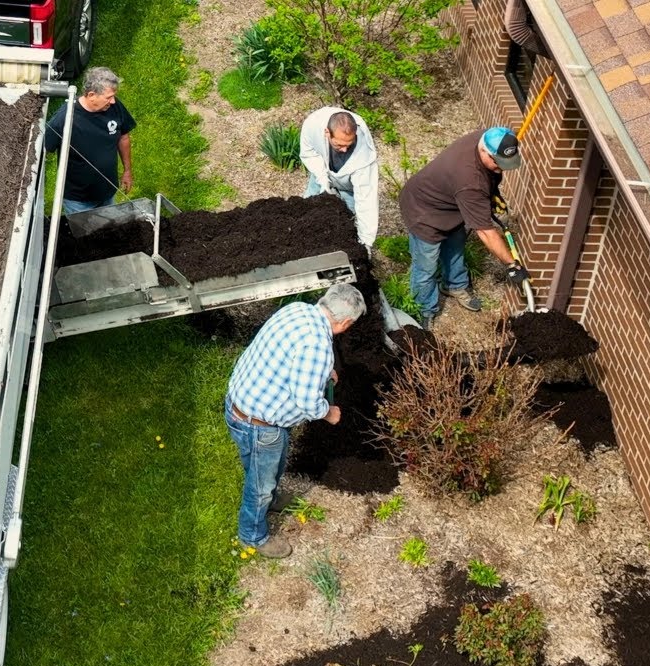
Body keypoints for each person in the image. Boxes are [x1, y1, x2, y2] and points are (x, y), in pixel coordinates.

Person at [224, 283, 366, 559]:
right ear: (346, 323)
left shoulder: (297, 310)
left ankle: (272, 500)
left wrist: (324, 374)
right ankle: (252, 535)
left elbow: (293, 360)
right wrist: (329, 412)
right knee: (260, 485)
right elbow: (307, 403)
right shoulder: (317, 347)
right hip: (259, 425)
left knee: (265, 467)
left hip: (241, 401)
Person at [399, 126, 530, 330]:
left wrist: (491, 193)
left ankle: (454, 285)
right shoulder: (470, 181)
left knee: (455, 243)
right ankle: (424, 309)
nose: (500, 168)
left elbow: (490, 174)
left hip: (451, 207)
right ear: (485, 151)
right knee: (426, 266)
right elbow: (486, 232)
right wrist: (512, 265)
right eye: (497, 163)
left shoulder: (489, 136)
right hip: (423, 211)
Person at [45, 67, 136, 215]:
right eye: (109, 97)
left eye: (114, 96)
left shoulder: (114, 107)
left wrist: (127, 171)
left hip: (108, 192)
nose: (113, 101)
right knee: (86, 237)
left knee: (109, 231)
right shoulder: (65, 118)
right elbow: (44, 151)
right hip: (78, 201)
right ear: (91, 95)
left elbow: (123, 136)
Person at [299, 107, 380, 248]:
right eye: (339, 144)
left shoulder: (364, 157)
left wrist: (365, 242)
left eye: (349, 145)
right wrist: (323, 180)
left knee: (342, 220)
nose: (344, 150)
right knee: (308, 209)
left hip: (349, 185)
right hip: (321, 172)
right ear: (327, 133)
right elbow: (309, 153)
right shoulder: (313, 124)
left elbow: (366, 201)